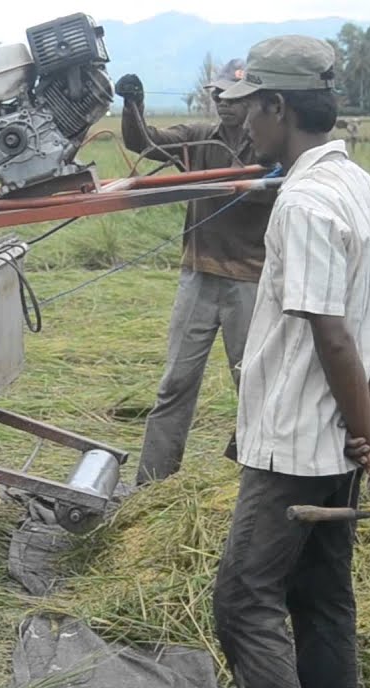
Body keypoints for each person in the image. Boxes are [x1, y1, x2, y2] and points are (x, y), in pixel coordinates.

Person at [209, 35, 370, 688]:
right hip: (341, 441)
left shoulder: (306, 202)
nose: (242, 124)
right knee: (322, 598)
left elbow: (332, 332)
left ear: (276, 105)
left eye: (248, 110)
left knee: (241, 600)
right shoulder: (363, 188)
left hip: (295, 443)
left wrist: (367, 431)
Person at [115, 59, 277, 485]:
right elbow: (147, 143)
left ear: (256, 101)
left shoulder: (271, 149)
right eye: (219, 94)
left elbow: (264, 197)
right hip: (198, 278)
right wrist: (134, 106)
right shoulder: (199, 138)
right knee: (175, 385)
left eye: (235, 97)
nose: (224, 103)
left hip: (249, 282)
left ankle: (256, 481)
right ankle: (152, 484)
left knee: (253, 386)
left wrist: (235, 185)